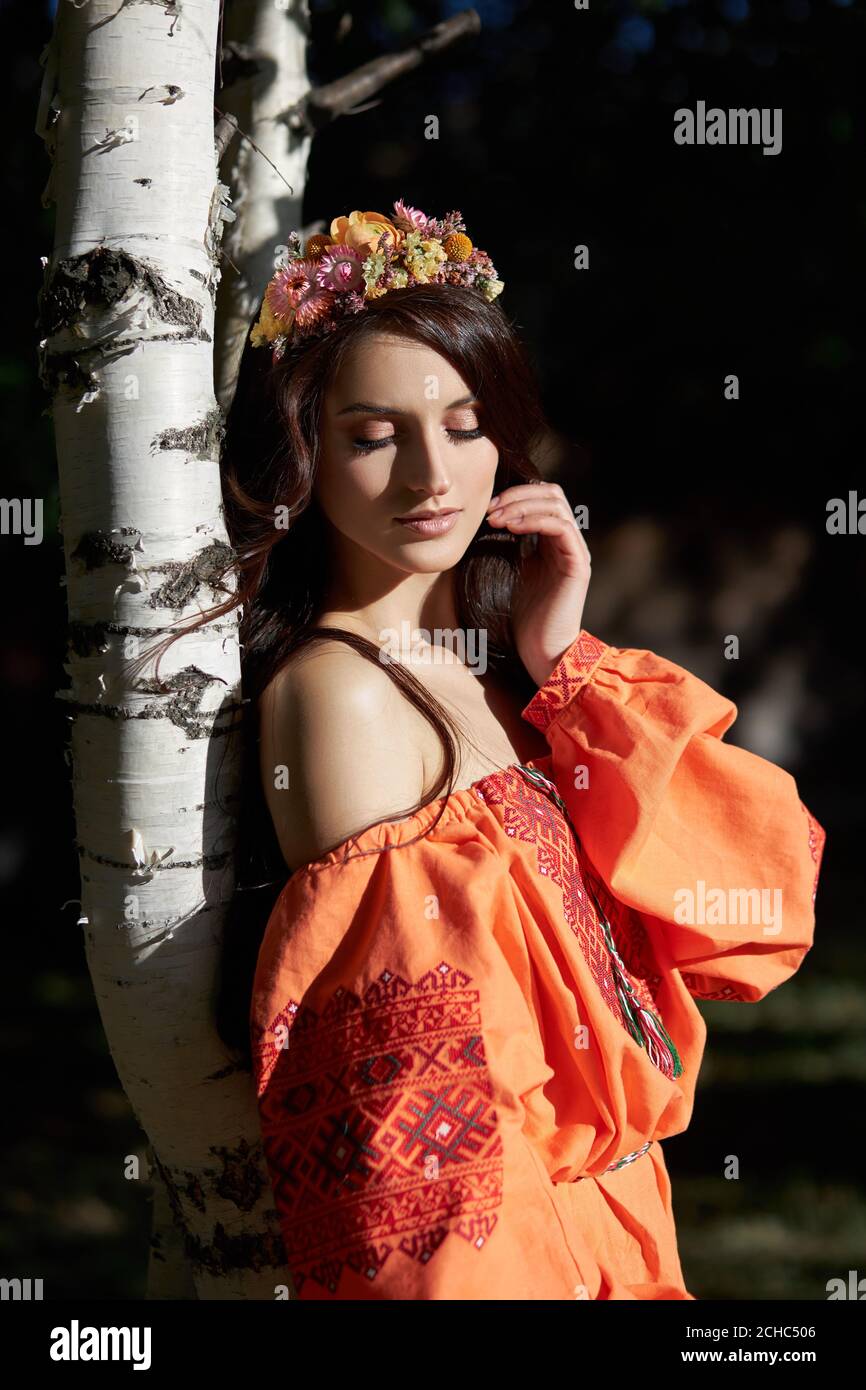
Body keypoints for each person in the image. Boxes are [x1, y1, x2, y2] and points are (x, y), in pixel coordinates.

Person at [209, 202, 826, 1299]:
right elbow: (416, 1131)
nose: (427, 475)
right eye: (370, 434)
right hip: (522, 1253)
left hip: (626, 1217)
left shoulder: (496, 672)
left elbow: (745, 898)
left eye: (460, 423)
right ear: (305, 453)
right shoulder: (337, 698)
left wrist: (561, 660)